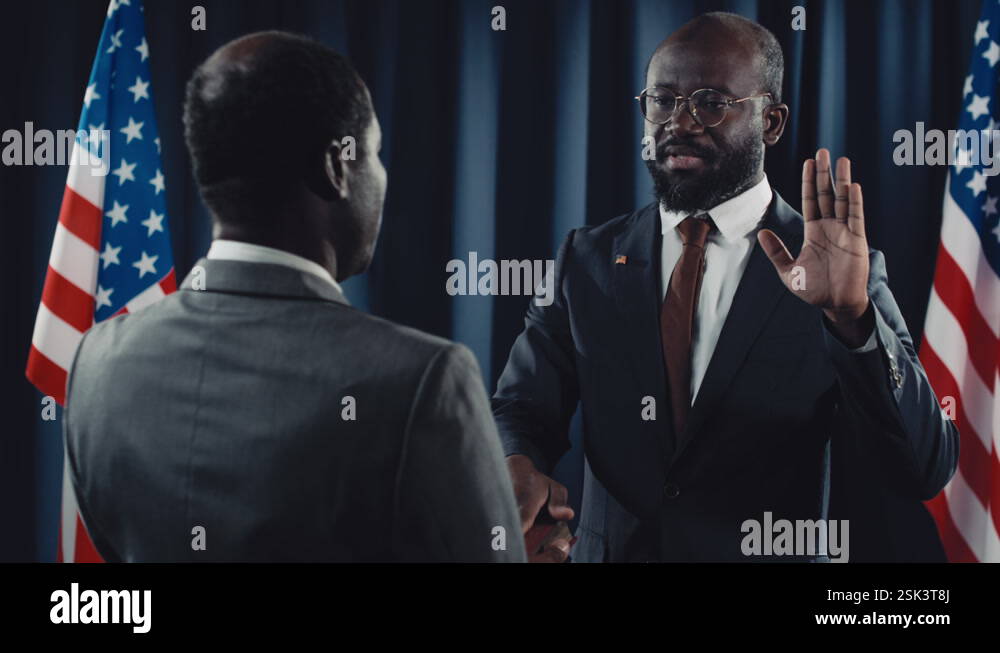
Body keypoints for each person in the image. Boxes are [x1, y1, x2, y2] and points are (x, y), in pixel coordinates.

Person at [492, 12, 959, 562]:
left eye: (711, 102)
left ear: (772, 122)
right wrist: (517, 465)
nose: (679, 123)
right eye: (662, 100)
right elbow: (521, 409)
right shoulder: (586, 258)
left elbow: (923, 467)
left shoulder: (838, 270)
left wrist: (853, 320)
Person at [63, 31, 525, 562]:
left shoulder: (96, 359)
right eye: (373, 152)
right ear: (336, 167)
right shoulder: (426, 381)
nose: (382, 173)